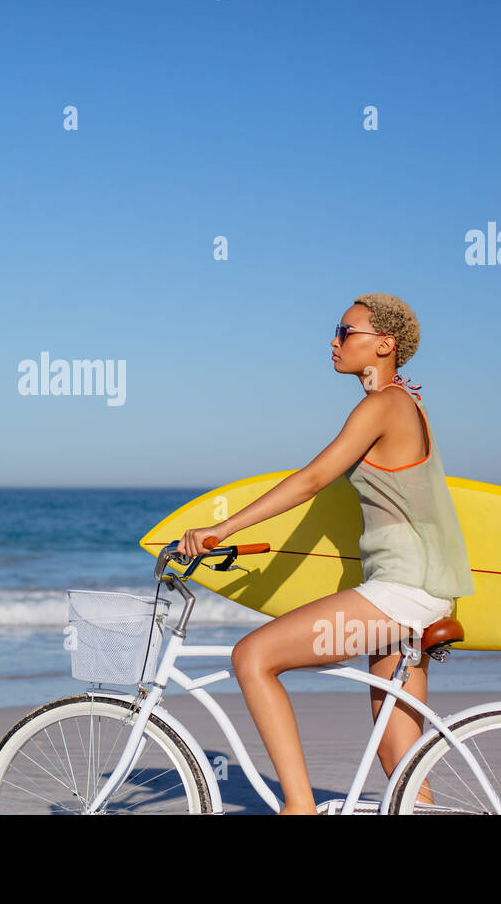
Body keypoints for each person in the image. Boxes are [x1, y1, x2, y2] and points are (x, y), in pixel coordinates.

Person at [178, 293, 475, 815]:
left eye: (346, 331)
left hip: (402, 592)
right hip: (423, 592)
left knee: (253, 657)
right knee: (398, 753)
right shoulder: (406, 403)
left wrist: (220, 530)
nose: (333, 341)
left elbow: (314, 479)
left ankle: (298, 807)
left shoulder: (383, 404)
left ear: (384, 345)